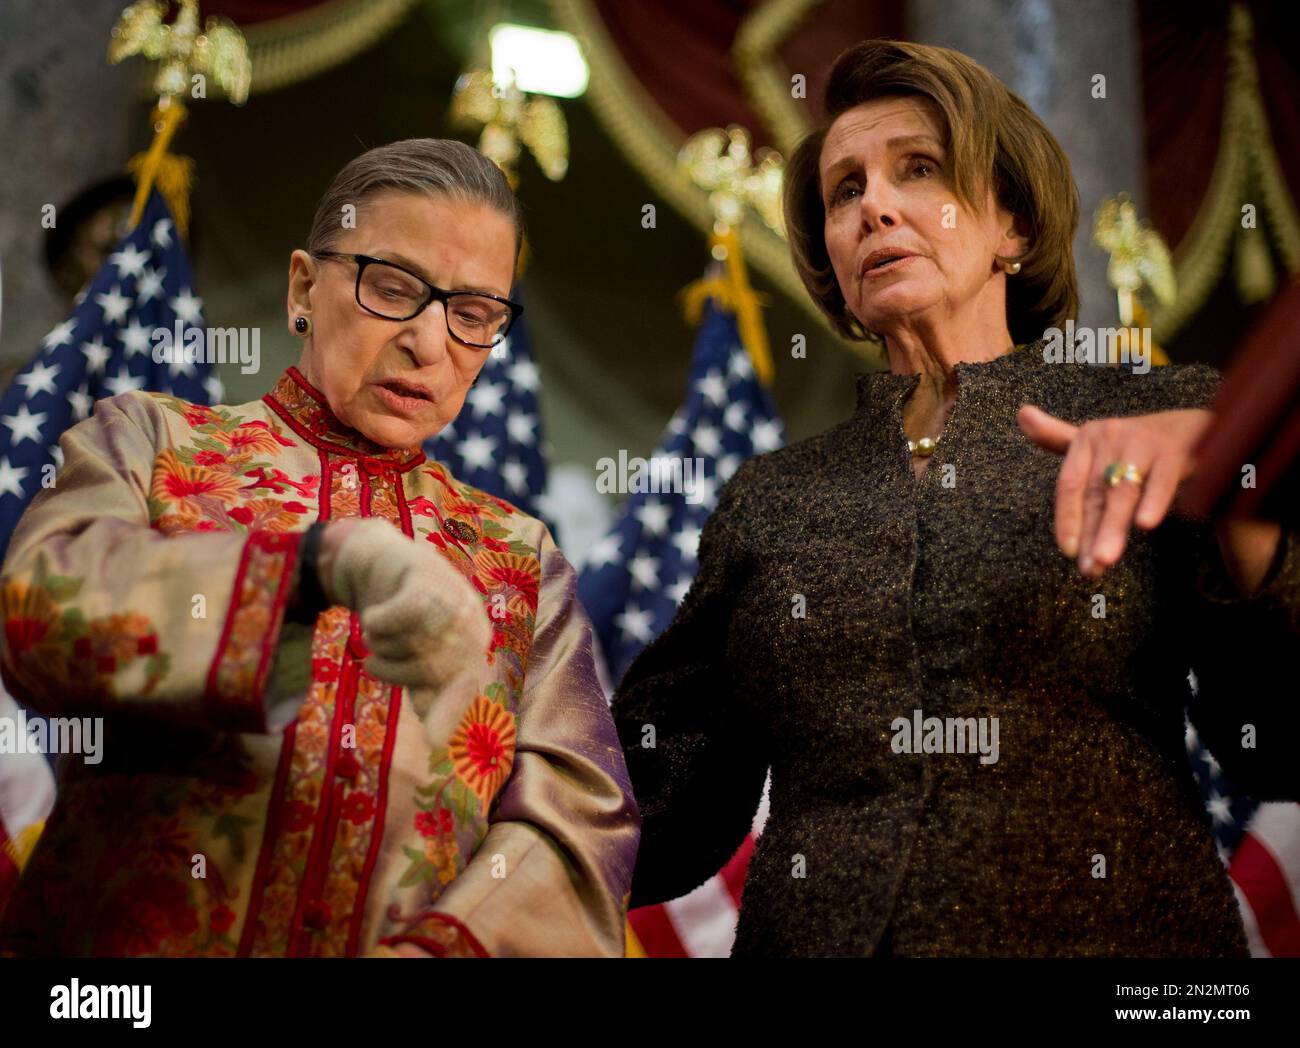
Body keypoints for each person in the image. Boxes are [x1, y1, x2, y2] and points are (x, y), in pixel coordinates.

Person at [612, 40, 1299, 957]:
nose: (876, 207)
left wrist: (1241, 514)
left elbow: (1279, 745)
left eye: (918, 170)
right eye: (845, 192)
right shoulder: (769, 498)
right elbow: (660, 813)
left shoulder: (1156, 421)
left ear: (1011, 221)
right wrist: (484, 722)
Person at [0, 138, 639, 957]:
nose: (429, 342)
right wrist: (303, 574)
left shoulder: (520, 559)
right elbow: (38, 609)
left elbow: (575, 826)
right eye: (394, 288)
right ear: (305, 286)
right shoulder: (154, 442)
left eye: (474, 315)